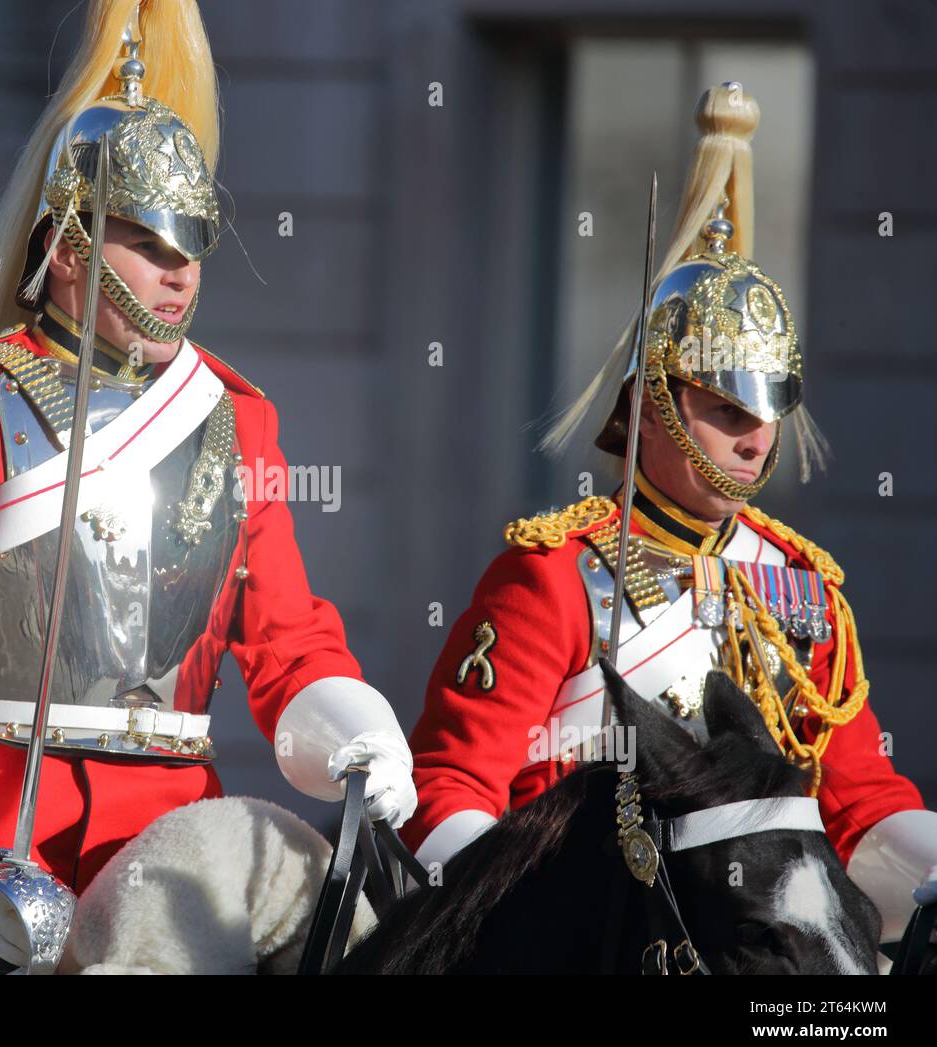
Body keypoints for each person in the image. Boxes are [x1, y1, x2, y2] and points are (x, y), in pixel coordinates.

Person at [0, 0, 414, 974]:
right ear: (73, 243)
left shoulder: (235, 417)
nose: (176, 278)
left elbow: (287, 642)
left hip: (178, 848)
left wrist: (358, 734)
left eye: (190, 252)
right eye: (148, 246)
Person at [401, 84, 935, 959]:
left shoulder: (803, 592)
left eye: (768, 410)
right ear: (653, 399)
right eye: (725, 408)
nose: (755, 438)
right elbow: (455, 785)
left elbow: (860, 802)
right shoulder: (558, 575)